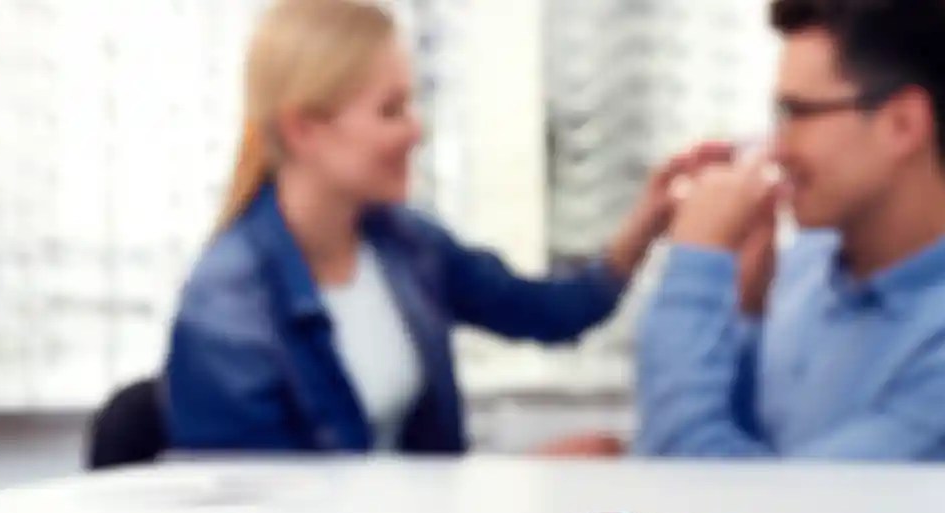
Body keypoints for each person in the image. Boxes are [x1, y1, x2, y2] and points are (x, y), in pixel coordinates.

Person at [162, 0, 729, 454]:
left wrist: (648, 221)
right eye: (392, 110)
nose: (417, 131)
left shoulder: (404, 246)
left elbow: (547, 312)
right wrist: (518, 478)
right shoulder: (226, 306)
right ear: (306, 129)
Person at [635, 0, 945, 462]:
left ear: (902, 125)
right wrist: (746, 311)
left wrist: (698, 263)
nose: (777, 149)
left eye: (798, 113)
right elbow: (745, 448)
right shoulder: (806, 265)